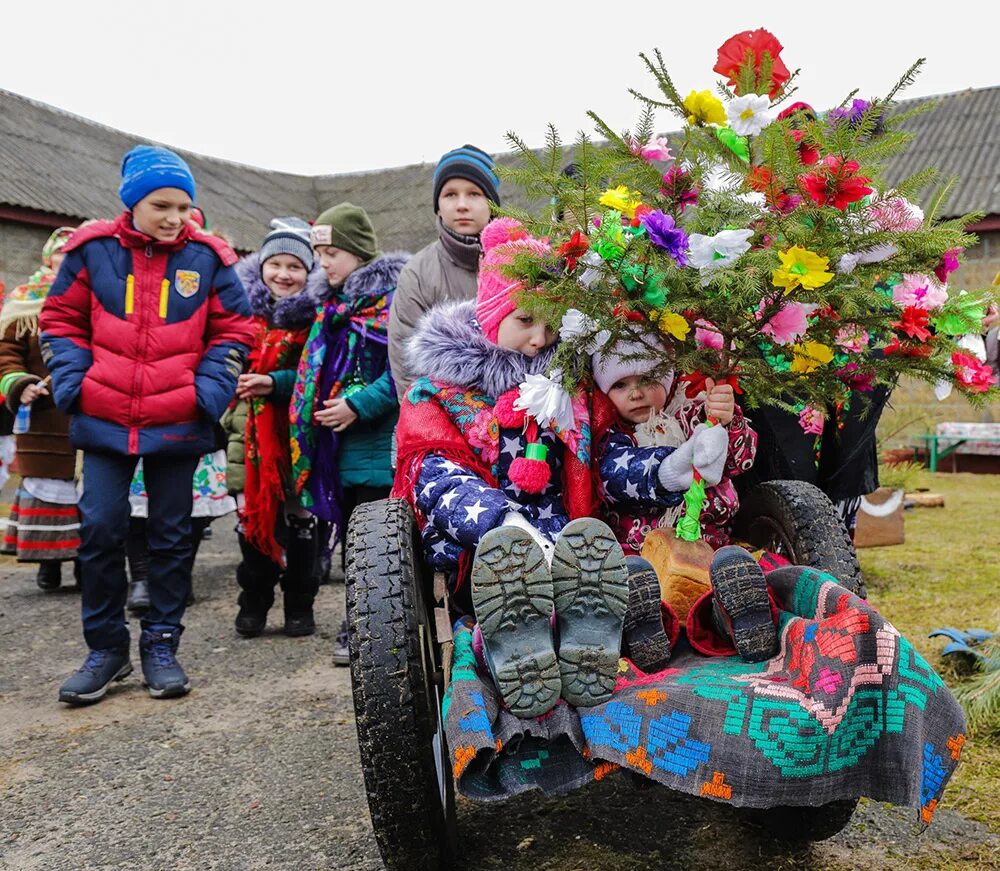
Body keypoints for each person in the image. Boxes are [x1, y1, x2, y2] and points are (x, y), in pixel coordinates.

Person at [40, 145, 253, 705]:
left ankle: (161, 645)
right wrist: (74, 386)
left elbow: (235, 330)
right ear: (132, 202)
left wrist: (205, 394)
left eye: (184, 207)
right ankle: (106, 651)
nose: (175, 218)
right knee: (101, 529)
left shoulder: (209, 260)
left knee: (171, 539)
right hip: (104, 418)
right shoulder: (90, 253)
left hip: (178, 422)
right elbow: (59, 319)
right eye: (162, 205)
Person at [392, 217, 629, 719]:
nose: (539, 339)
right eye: (524, 321)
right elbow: (433, 472)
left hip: (566, 542)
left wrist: (664, 470)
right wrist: (500, 521)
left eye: (550, 326)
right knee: (497, 561)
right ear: (489, 313)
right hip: (482, 547)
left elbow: (604, 455)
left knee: (582, 563)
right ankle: (503, 641)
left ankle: (579, 641)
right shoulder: (439, 392)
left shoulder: (567, 392)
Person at [590, 340, 758, 669]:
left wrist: (726, 420)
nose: (635, 394)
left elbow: (740, 459)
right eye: (620, 385)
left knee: (728, 578)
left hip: (706, 546)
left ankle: (738, 621)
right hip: (642, 553)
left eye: (647, 380)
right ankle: (648, 632)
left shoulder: (693, 413)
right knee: (637, 586)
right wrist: (672, 467)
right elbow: (615, 475)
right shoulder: (612, 434)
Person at [289, 203, 408, 662]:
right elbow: (313, 373)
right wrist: (277, 385)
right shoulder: (332, 309)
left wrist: (359, 405)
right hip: (338, 450)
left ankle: (371, 632)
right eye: (319, 254)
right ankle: (356, 624)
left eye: (332, 252)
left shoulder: (390, 303)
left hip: (378, 445)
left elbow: (403, 369)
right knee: (354, 546)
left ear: (359, 253)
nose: (324, 263)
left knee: (379, 543)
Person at [225, 217, 330, 637]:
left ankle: (300, 606)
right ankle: (253, 602)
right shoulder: (239, 317)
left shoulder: (316, 320)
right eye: (276, 265)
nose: (284, 275)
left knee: (303, 528)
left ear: (308, 273)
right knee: (253, 524)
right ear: (262, 266)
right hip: (247, 441)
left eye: (295, 267)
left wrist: (274, 384)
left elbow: (316, 377)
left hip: (299, 441)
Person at [387, 144, 500, 401]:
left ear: (493, 204)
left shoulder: (522, 258)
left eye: (474, 194)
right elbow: (406, 363)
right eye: (450, 195)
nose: (461, 205)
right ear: (437, 205)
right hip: (446, 422)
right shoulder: (417, 273)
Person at [0, 227, 80, 590]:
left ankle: (84, 563)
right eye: (61, 252)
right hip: (43, 413)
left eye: (73, 253)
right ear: (49, 258)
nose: (67, 259)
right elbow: (6, 354)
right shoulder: (24, 302)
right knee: (45, 486)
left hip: (85, 410)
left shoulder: (93, 297)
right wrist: (19, 383)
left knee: (88, 488)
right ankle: (48, 562)